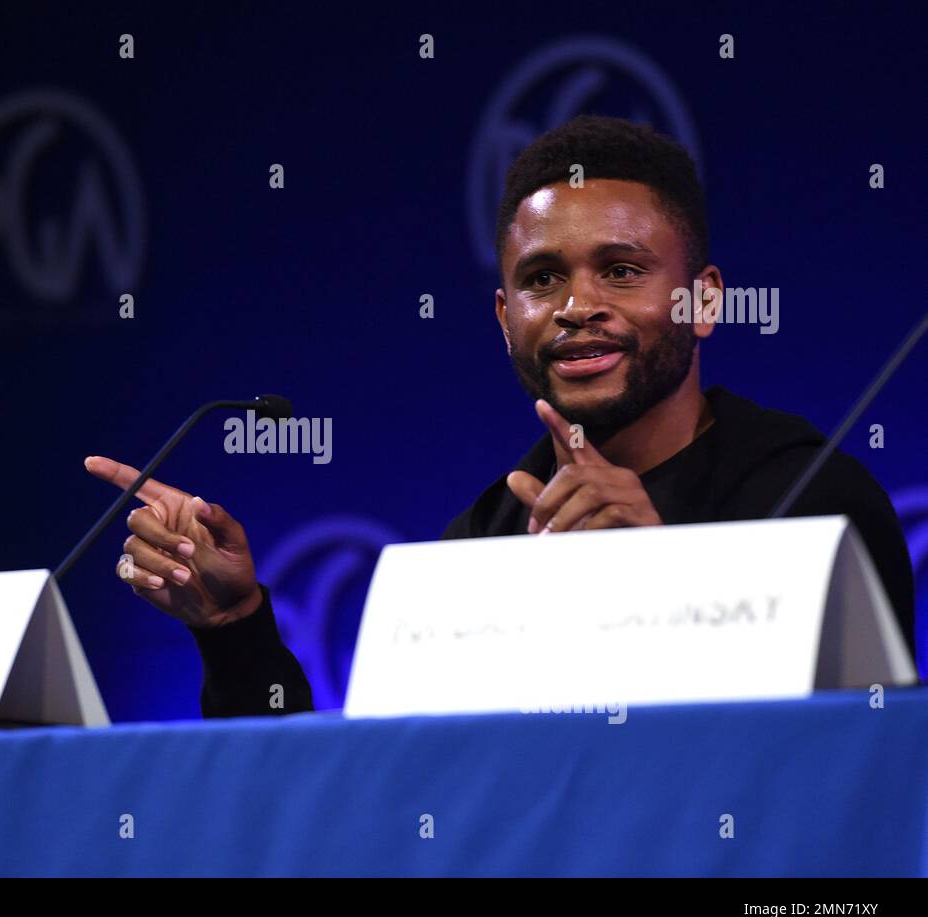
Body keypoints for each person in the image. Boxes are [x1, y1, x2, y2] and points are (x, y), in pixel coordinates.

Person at [85, 116, 918, 717]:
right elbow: (360, 808)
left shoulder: (814, 503)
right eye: (544, 278)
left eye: (622, 270)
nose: (577, 307)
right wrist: (236, 629)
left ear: (703, 302)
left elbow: (857, 784)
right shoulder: (485, 539)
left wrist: (666, 579)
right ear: (503, 317)